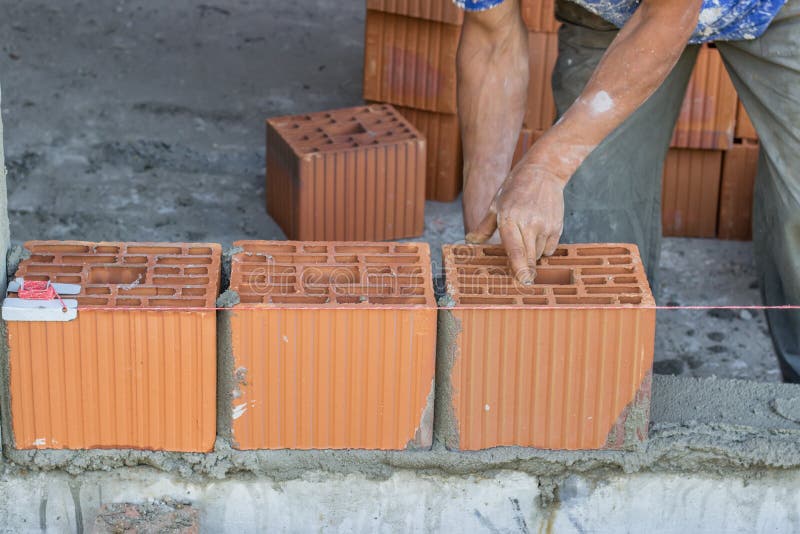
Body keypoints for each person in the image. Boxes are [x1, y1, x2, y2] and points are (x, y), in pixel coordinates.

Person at [453, 0, 800, 381]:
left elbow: (669, 17)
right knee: (591, 221)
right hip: (613, 13)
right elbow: (491, 42)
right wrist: (487, 222)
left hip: (772, 8)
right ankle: (605, 404)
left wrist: (546, 167)